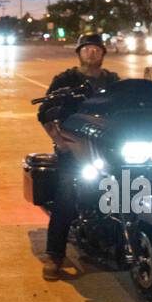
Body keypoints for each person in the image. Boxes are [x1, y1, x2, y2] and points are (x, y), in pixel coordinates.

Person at [37, 30, 119, 280]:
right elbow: (45, 112)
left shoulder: (113, 81)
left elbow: (128, 108)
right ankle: (54, 255)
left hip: (108, 149)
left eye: (97, 48)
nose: (92, 52)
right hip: (75, 148)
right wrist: (60, 141)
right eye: (87, 48)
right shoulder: (66, 79)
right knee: (67, 193)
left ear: (103, 53)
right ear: (79, 53)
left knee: (135, 184)